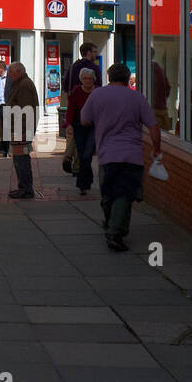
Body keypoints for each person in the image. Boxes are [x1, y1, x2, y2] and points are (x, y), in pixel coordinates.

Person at [81, 62, 161, 251]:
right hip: (131, 155)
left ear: (109, 77)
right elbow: (154, 127)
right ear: (127, 79)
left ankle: (111, 224)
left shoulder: (97, 94)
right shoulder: (137, 98)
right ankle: (115, 232)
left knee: (108, 193)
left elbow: (84, 120)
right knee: (124, 194)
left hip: (106, 154)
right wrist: (157, 148)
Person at [4, 61, 39, 199]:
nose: (9, 75)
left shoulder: (24, 85)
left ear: (19, 72)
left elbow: (26, 110)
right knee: (19, 159)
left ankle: (26, 189)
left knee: (21, 160)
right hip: (19, 128)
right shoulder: (20, 83)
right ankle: (23, 187)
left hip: (21, 129)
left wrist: (23, 130)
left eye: (10, 73)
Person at [65, 67, 98, 196]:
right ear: (81, 80)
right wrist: (69, 125)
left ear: (93, 80)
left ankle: (82, 184)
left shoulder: (97, 92)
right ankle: (87, 179)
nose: (87, 81)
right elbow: (70, 110)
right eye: (85, 78)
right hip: (79, 125)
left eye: (90, 79)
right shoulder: (77, 92)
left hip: (93, 126)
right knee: (81, 153)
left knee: (87, 154)